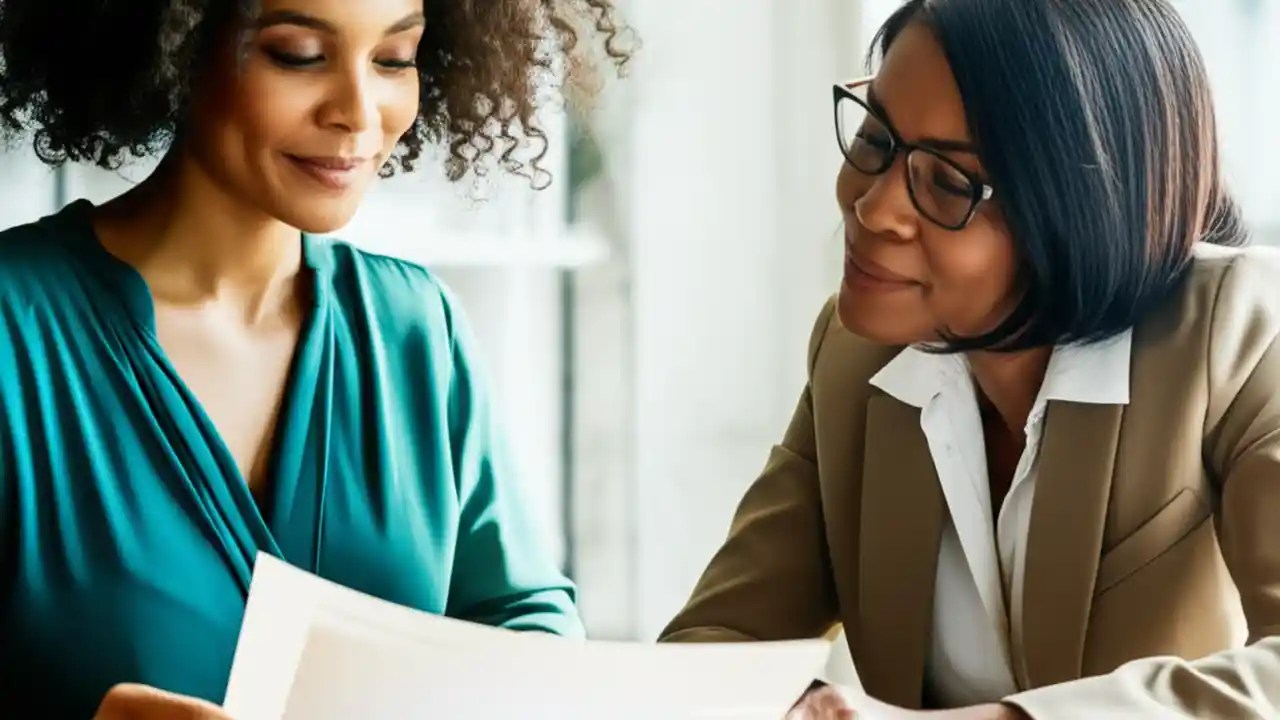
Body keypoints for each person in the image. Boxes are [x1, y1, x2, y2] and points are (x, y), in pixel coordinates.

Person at [0, 0, 630, 717]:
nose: (360, 113)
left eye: (394, 60)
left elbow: (525, 618)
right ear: (176, 53)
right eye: (298, 55)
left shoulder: (413, 328)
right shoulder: (14, 335)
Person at [661, 0, 1280, 718]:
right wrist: (798, 705)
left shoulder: (1236, 332)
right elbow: (718, 641)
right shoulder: (855, 358)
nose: (872, 208)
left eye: (949, 184)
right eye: (873, 139)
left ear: (1082, 205)